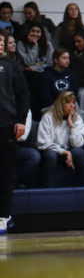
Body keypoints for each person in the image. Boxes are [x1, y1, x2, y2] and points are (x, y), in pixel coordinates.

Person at [0, 32, 29, 234]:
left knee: (4, 172)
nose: (1, 44)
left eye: (2, 41)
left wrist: (20, 120)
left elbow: (23, 95)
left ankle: (3, 216)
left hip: (6, 124)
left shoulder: (11, 66)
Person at [37, 91, 84, 187]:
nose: (72, 105)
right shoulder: (48, 117)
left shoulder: (77, 119)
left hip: (69, 151)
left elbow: (77, 144)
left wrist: (71, 125)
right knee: (50, 156)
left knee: (78, 152)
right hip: (52, 151)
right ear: (60, 104)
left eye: (73, 103)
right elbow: (44, 143)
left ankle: (83, 185)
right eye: (68, 102)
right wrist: (64, 152)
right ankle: (47, 188)